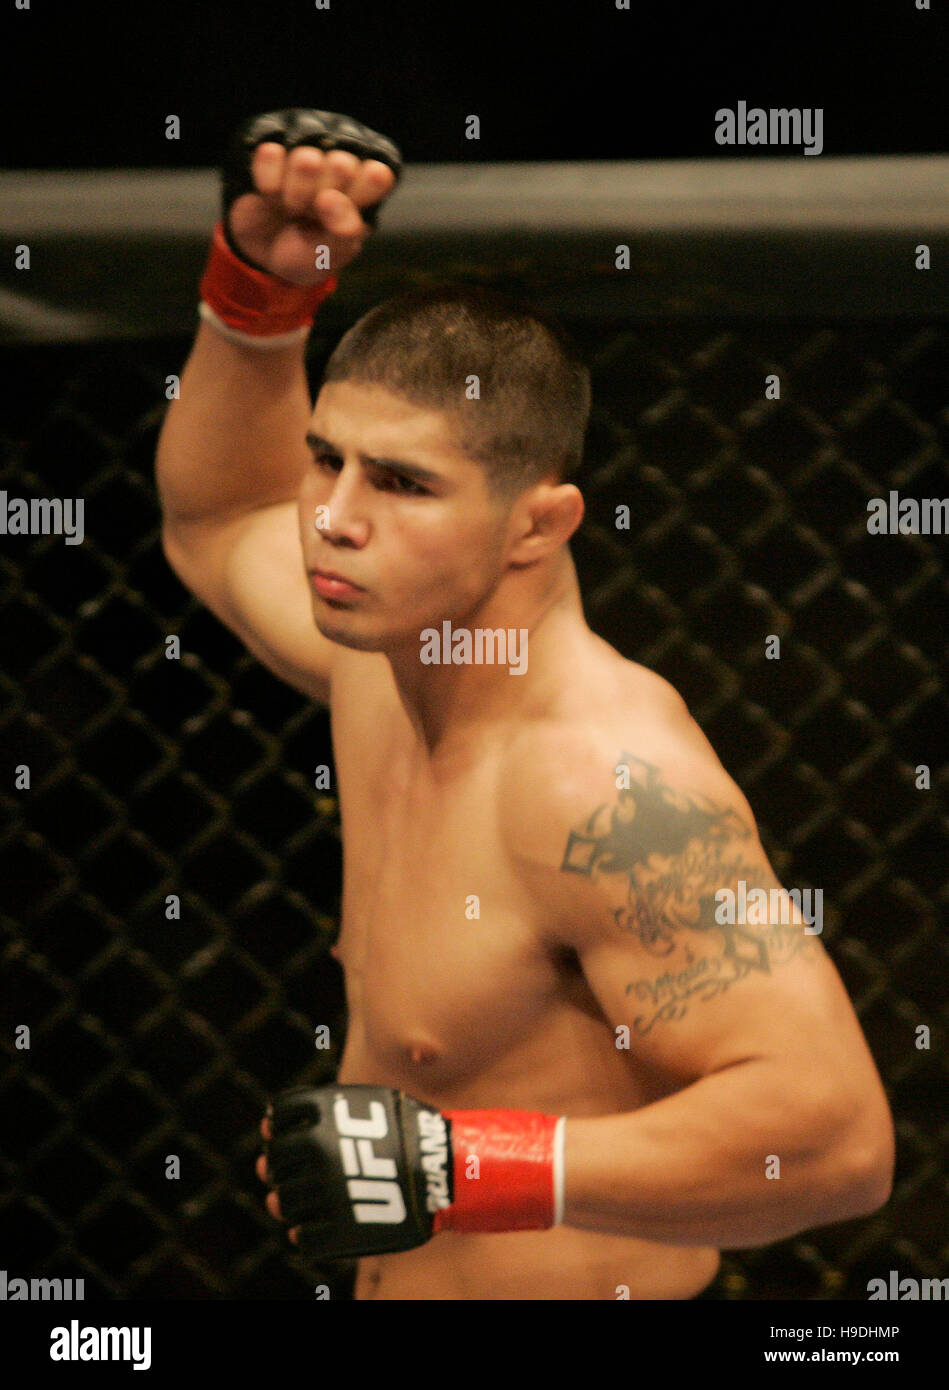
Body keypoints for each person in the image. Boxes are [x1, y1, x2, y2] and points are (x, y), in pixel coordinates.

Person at [155, 108, 894, 1300]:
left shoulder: (598, 779)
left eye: (400, 482)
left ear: (537, 524)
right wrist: (261, 299)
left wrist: (460, 1165)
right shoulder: (379, 658)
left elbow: (834, 1143)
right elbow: (214, 520)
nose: (334, 516)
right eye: (324, 458)